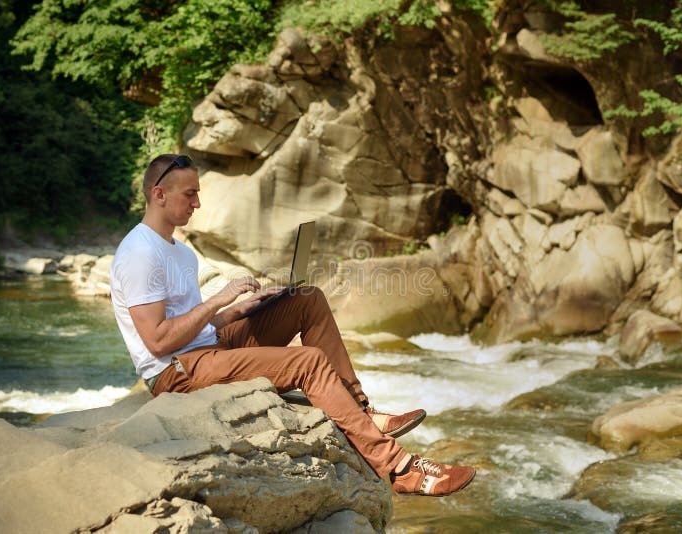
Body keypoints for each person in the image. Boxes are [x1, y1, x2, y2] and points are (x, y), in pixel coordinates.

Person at [109, 154, 476, 496]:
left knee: (306, 299)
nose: (197, 204)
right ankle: (400, 469)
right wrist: (218, 299)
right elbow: (159, 341)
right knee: (307, 361)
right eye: (190, 194)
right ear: (159, 194)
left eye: (198, 194)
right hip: (176, 372)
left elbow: (193, 324)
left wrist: (238, 310)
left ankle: (361, 410)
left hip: (208, 347)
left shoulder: (180, 252)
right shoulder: (140, 253)